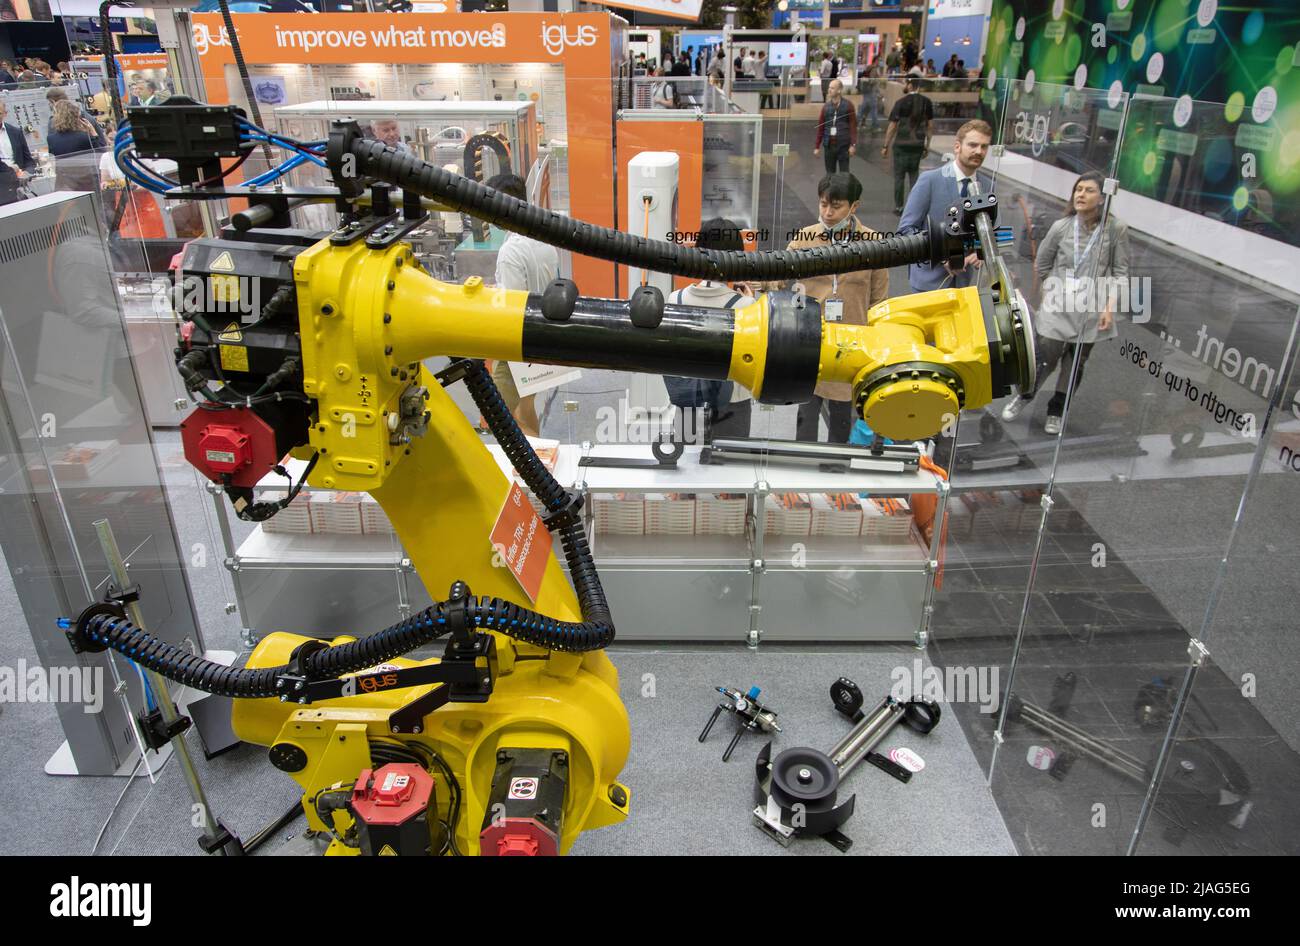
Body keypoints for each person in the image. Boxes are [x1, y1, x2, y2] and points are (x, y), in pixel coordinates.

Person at [1001, 171, 1130, 435]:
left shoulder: (1115, 229)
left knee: (1074, 364)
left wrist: (1109, 307)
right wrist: (1050, 290)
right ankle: (1024, 397)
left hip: (1090, 309)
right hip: (1058, 305)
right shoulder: (1062, 227)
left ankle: (1057, 410)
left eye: (1089, 190)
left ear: (1102, 197)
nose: (1081, 194)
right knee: (1045, 357)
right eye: (1078, 189)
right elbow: (1043, 263)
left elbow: (1120, 272)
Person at [784, 173, 890, 443]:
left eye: (836, 206)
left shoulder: (874, 243)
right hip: (811, 340)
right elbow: (778, 275)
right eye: (823, 205)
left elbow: (879, 300)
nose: (828, 213)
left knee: (842, 418)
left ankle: (836, 472)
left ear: (854, 206)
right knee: (806, 413)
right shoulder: (806, 238)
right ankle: (803, 473)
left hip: (851, 344)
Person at [663, 218, 754, 440]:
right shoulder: (746, 306)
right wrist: (752, 302)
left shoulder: (675, 299)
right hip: (733, 405)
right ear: (736, 258)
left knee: (688, 466)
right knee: (729, 467)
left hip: (689, 398)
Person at [485, 172, 559, 438]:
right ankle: (537, 463)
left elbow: (514, 304)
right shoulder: (542, 236)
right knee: (527, 407)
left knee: (504, 415)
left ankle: (526, 465)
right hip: (543, 335)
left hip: (517, 343)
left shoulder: (511, 251)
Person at [898, 118, 993, 292]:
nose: (979, 151)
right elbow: (906, 230)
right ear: (957, 147)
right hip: (929, 283)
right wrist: (942, 257)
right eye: (973, 145)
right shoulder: (930, 180)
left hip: (964, 286)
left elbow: (989, 231)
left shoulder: (987, 186)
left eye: (984, 146)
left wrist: (980, 253)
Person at [880, 77, 933, 213]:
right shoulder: (927, 103)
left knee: (899, 177)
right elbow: (930, 126)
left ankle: (899, 207)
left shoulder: (900, 103)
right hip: (917, 145)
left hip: (901, 145)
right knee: (914, 175)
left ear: (910, 85)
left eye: (905, 83)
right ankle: (914, 206)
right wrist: (927, 144)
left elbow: (892, 126)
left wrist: (886, 145)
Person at [47, 99, 103, 193]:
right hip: (86, 182)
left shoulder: (51, 139)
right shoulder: (84, 137)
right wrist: (93, 131)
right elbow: (100, 152)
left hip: (65, 183)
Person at [813, 79, 857, 174]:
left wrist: (853, 145)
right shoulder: (825, 107)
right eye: (829, 87)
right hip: (829, 146)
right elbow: (821, 128)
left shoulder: (849, 105)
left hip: (843, 146)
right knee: (830, 174)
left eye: (832, 88)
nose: (829, 90)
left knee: (844, 174)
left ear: (839, 90)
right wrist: (817, 146)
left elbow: (853, 126)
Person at [0, 98, 36, 206]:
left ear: (5, 114)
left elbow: (28, 161)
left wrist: (27, 173)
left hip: (18, 185)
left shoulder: (15, 132)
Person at [857, 63, 884, 133]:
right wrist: (877, 79)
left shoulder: (869, 69)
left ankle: (857, 124)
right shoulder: (874, 70)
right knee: (873, 111)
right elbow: (872, 81)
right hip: (871, 94)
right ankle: (875, 126)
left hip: (867, 93)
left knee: (863, 110)